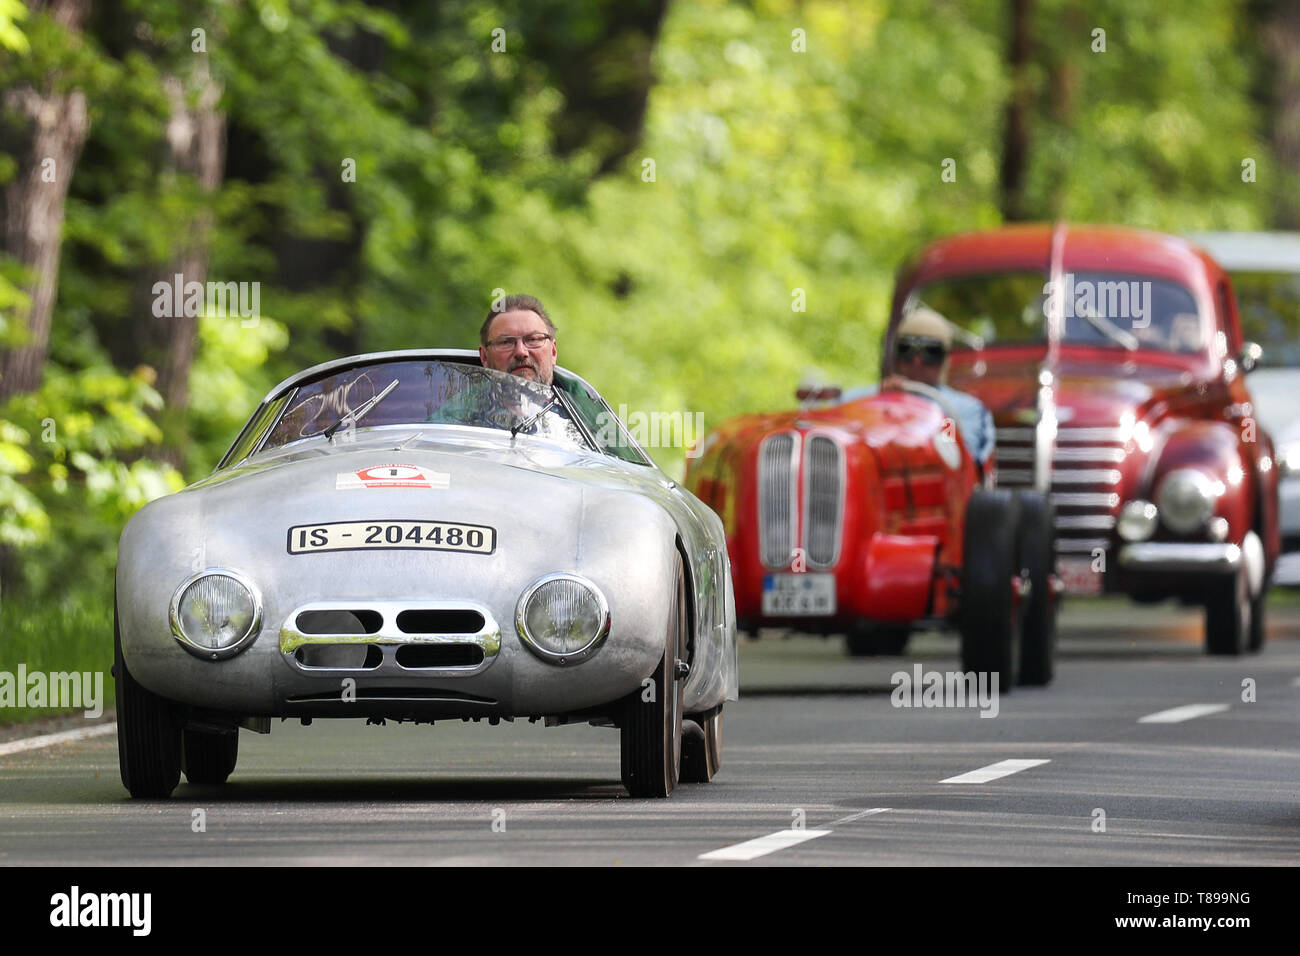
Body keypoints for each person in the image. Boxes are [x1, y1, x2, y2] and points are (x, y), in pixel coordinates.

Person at [882, 304, 995, 466]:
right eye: (906, 350)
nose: (917, 361)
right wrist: (884, 406)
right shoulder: (872, 399)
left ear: (945, 358)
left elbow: (960, 461)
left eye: (931, 352)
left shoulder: (963, 409)